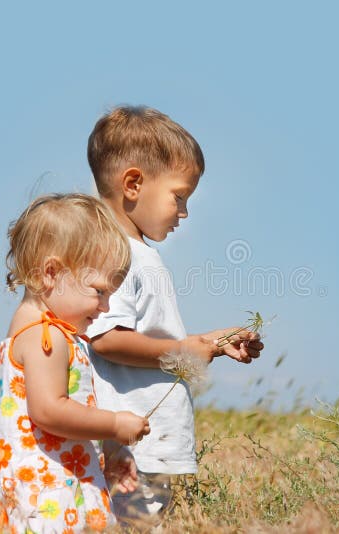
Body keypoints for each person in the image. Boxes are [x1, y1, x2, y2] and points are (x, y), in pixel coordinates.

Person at [85, 106, 265, 524]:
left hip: (136, 437)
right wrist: (183, 351)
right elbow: (107, 338)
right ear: (133, 184)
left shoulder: (131, 252)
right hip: (130, 441)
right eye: (179, 196)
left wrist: (207, 344)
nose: (183, 212)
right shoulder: (118, 255)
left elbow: (145, 333)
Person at [0, 193, 150, 533]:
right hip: (46, 494)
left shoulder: (49, 332)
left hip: (56, 479)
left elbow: (71, 410)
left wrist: (108, 451)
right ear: (51, 273)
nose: (106, 306)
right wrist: (113, 426)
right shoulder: (46, 337)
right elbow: (50, 411)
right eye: (99, 291)